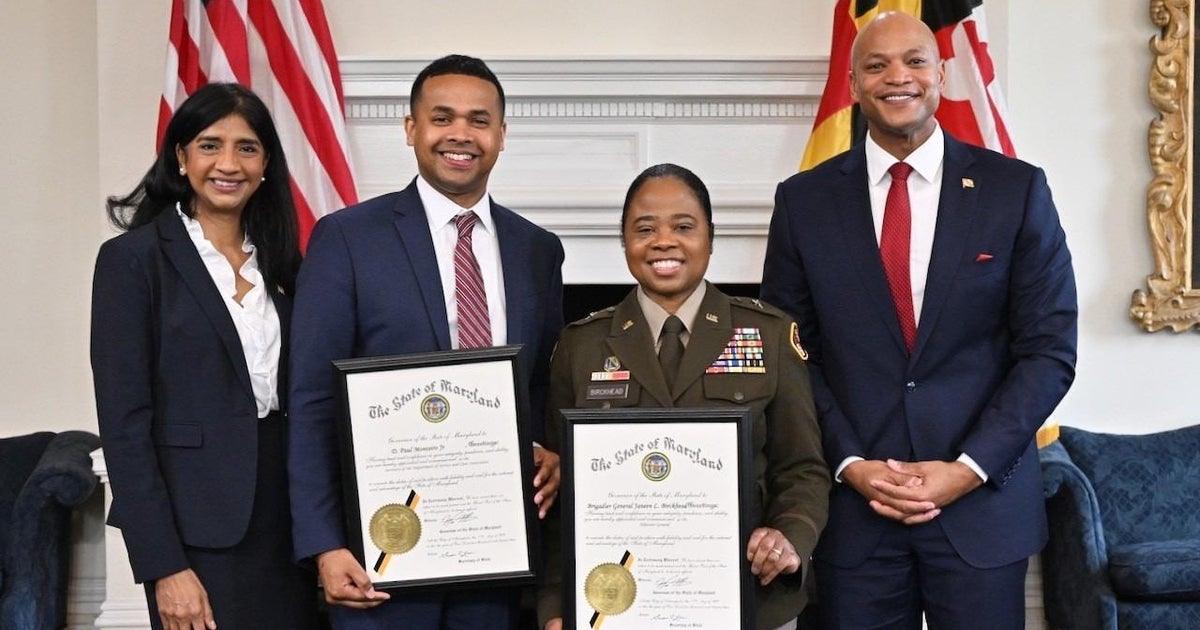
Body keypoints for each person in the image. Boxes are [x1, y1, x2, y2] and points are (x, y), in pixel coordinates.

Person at [760, 11, 1078, 630]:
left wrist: (967, 469)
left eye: (914, 61)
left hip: (981, 507)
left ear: (941, 74)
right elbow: (792, 354)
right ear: (853, 84)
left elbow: (1048, 350)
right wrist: (851, 463)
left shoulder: (1015, 191)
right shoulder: (803, 202)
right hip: (854, 513)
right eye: (876, 65)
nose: (897, 77)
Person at [287, 54, 565, 629]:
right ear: (411, 129)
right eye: (442, 118)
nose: (460, 134)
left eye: (479, 120)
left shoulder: (537, 250)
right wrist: (324, 544)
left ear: (502, 134)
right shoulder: (347, 239)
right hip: (379, 557)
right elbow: (312, 399)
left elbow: (539, 384)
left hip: (492, 552)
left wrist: (546, 448)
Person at [538, 163, 830, 630]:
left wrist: (789, 537)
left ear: (711, 238)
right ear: (624, 242)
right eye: (644, 229)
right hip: (615, 604)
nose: (663, 242)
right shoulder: (581, 345)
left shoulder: (768, 335)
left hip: (748, 600)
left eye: (683, 227)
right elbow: (561, 493)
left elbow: (802, 469)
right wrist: (555, 605)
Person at [91, 82, 318, 630]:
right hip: (196, 537)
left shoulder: (286, 264)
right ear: (181, 156)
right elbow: (125, 426)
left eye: (247, 148)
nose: (229, 164)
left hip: (292, 529)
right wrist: (164, 566)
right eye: (210, 145)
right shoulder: (132, 261)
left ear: (266, 164)